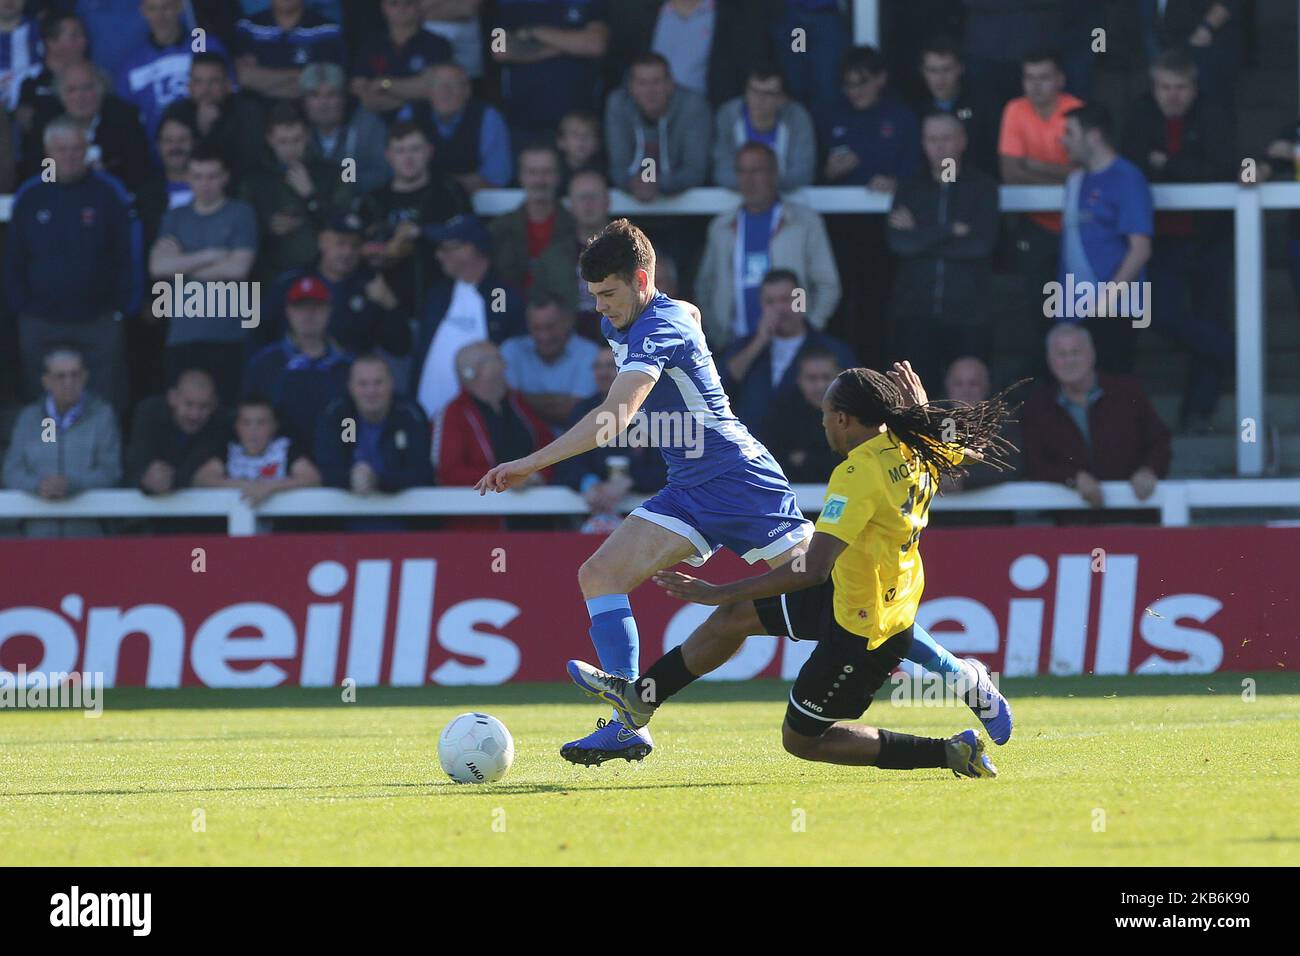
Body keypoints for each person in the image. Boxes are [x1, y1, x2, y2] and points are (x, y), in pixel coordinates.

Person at [476, 219, 995, 765]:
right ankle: (630, 719)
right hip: (688, 487)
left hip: (744, 483)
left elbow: (614, 418)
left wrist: (528, 464)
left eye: (608, 294)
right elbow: (693, 315)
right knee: (599, 575)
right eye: (594, 296)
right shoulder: (638, 318)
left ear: (642, 279)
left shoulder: (659, 326)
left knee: (836, 596)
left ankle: (962, 678)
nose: (600, 308)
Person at [565, 360, 1014, 774]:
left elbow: (811, 569)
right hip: (859, 591)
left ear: (843, 419)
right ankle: (641, 700)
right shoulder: (916, 448)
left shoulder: (857, 474)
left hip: (864, 626)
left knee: (802, 740)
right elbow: (973, 447)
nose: (821, 423)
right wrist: (926, 420)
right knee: (733, 621)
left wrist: (718, 590)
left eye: (825, 414)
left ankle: (951, 752)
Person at [1120, 49, 1234, 431]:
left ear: (1194, 87)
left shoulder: (1214, 112)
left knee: (1209, 314)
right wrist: (1179, 166)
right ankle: (1229, 348)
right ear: (1154, 87)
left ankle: (1196, 413)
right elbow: (1132, 166)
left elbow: (1221, 169)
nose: (1173, 95)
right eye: (1165, 87)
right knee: (1162, 315)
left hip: (1210, 241)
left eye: (1181, 87)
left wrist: (1165, 164)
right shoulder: (1139, 114)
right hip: (1161, 242)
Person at [6, 116, 140, 415]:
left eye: (77, 148)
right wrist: (21, 305)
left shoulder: (108, 192)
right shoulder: (30, 195)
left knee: (105, 404)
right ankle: (46, 460)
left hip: (99, 321)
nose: (69, 156)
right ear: (48, 153)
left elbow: (126, 254)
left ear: (87, 150)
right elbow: (14, 257)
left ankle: (101, 461)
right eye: (61, 149)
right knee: (42, 405)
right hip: (40, 321)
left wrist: (121, 305)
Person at [887, 111, 1000, 388]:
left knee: (968, 400)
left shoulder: (982, 188)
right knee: (916, 401)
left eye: (946, 138)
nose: (939, 146)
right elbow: (900, 243)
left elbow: (980, 245)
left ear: (962, 141)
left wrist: (920, 234)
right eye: (932, 139)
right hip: (915, 314)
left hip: (969, 315)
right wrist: (949, 230)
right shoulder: (909, 187)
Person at [695, 142, 840, 348]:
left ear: (774, 173)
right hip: (735, 346)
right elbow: (705, 285)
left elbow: (828, 284)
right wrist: (718, 335)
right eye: (742, 171)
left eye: (757, 171)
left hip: (792, 346)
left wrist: (808, 332)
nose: (748, 180)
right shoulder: (722, 226)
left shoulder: (804, 222)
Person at [148, 145, 258, 404]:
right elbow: (157, 269)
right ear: (188, 178)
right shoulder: (174, 217)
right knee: (183, 410)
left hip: (229, 334)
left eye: (211, 176)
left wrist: (182, 265)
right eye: (197, 176)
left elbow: (238, 270)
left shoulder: (241, 213)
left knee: (227, 409)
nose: (205, 183)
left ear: (224, 177)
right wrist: (211, 255)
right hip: (182, 333)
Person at [1022, 324, 1171, 508]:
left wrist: (1149, 470)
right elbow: (1034, 463)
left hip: (1133, 514)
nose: (1069, 360)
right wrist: (1072, 478)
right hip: (1071, 522)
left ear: (1092, 354)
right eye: (1061, 354)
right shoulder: (1038, 406)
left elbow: (1160, 441)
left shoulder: (1127, 392)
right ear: (1049, 360)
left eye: (1076, 352)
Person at [1058, 103, 1154, 375]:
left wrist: (1105, 302)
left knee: (1112, 387)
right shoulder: (1075, 180)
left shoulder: (1128, 178)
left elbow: (1140, 250)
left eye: (1070, 133)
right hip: (1073, 307)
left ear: (1094, 136)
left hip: (1114, 310)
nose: (1062, 140)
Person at [412, 214, 525, 420]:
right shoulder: (438, 294)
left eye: (446, 248)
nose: (438, 255)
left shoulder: (504, 298)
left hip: (478, 424)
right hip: (423, 418)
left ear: (470, 249)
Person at [720, 268, 856, 438]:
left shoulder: (832, 350)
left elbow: (852, 403)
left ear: (801, 300)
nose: (780, 308)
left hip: (807, 453)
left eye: (786, 300)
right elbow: (723, 384)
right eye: (770, 302)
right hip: (750, 449)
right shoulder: (744, 346)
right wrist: (759, 342)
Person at [2, 347, 122, 538]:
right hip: (35, 538)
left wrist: (73, 484)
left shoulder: (102, 416)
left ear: (85, 377)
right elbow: (11, 471)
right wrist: (38, 485)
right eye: (60, 376)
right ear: (46, 381)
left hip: (88, 539)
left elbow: (111, 471)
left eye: (75, 375)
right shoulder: (29, 418)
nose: (69, 382)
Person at [433, 341, 553, 530]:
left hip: (533, 523)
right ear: (472, 372)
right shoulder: (453, 414)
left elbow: (549, 447)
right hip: (480, 530)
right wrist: (503, 478)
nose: (505, 366)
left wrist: (534, 475)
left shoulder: (518, 404)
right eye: (497, 360)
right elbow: (447, 473)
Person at [998, 50, 1084, 313]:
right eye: (1029, 77)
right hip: (1035, 225)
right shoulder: (1015, 109)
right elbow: (1010, 175)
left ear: (1060, 79)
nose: (1035, 85)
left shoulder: (1077, 111)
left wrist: (1033, 166)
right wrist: (1061, 173)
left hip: (1078, 223)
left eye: (1044, 77)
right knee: (1039, 309)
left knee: (1081, 305)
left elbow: (1084, 175)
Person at [358, 121, 470, 318]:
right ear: (388, 156)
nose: (408, 158)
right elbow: (356, 248)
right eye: (400, 151)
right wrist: (375, 253)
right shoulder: (371, 201)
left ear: (429, 151)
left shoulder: (450, 193)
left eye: (415, 149)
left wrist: (421, 234)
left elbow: (471, 237)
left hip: (443, 306)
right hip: (385, 311)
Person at [266, 212, 410, 357]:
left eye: (355, 246)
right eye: (340, 243)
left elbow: (401, 348)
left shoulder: (372, 285)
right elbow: (262, 335)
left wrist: (390, 305)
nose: (347, 252)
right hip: (295, 370)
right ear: (322, 242)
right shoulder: (291, 282)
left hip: (350, 375)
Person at [243, 275, 352, 447]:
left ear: (329, 311)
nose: (309, 314)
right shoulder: (264, 363)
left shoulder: (348, 367)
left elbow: (352, 422)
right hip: (279, 463)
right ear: (288, 311)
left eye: (317, 307)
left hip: (334, 462)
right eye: (301, 307)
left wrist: (346, 452)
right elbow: (247, 418)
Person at [22, 60, 153, 192]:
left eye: (87, 88)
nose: (80, 97)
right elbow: (38, 170)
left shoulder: (124, 119)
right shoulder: (46, 122)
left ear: (101, 91)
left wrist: (105, 174)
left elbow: (138, 171)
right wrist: (62, 173)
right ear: (61, 95)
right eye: (72, 90)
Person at [314, 354, 433, 493]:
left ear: (391, 384)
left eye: (378, 383)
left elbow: (421, 473)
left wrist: (378, 480)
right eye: (363, 384)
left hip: (401, 511)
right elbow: (330, 468)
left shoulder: (408, 416)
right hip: (347, 509)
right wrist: (349, 478)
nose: (371, 391)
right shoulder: (344, 417)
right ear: (350, 387)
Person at [491, 0, 609, 140]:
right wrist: (572, 43)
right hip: (523, 115)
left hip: (579, 119)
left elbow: (595, 44)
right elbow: (499, 50)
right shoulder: (508, 3)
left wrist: (532, 32)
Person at [604, 52, 710, 202]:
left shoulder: (693, 106)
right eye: (642, 83)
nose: (650, 91)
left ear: (671, 84)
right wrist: (632, 183)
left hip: (684, 208)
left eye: (656, 82)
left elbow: (695, 171)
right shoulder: (619, 104)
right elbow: (618, 166)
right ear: (631, 87)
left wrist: (657, 184)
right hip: (629, 209)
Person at [115, 0, 231, 139]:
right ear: (143, 11)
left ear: (180, 7)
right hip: (158, 155)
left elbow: (230, 93)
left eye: (166, 7)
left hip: (208, 146)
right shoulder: (131, 65)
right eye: (153, 9)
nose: (160, 17)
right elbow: (126, 123)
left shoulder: (203, 44)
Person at [818, 45, 922, 192]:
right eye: (849, 85)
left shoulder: (902, 118)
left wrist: (896, 184)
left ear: (881, 78)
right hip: (838, 210)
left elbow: (916, 171)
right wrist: (828, 173)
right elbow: (812, 175)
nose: (855, 92)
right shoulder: (832, 117)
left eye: (862, 82)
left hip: (888, 210)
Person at [488, 143, 578, 307]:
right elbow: (493, 285)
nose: (539, 180)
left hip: (563, 316)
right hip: (513, 315)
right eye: (532, 172)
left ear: (558, 177)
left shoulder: (576, 226)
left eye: (547, 172)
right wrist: (500, 316)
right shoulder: (499, 228)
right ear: (521, 177)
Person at [193, 395, 321, 504]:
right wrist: (246, 486)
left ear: (274, 426)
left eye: (261, 423)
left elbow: (312, 478)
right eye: (246, 423)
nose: (253, 431)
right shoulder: (229, 451)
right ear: (237, 426)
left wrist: (270, 487)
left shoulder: (285, 449)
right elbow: (202, 479)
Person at [161, 51, 267, 183]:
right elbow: (176, 163)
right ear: (190, 86)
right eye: (198, 82)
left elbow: (251, 160)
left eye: (213, 81)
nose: (205, 90)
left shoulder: (247, 110)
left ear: (228, 85)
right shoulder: (177, 113)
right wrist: (202, 130)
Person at [500, 291, 600, 429]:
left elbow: (577, 414)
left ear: (569, 321)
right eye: (536, 328)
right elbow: (505, 409)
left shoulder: (590, 353)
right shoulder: (512, 350)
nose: (544, 336)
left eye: (550, 327)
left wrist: (522, 400)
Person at [410, 60, 512, 193]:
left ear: (467, 90)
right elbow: (400, 173)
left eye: (453, 85)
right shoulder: (411, 114)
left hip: (477, 204)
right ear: (428, 91)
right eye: (437, 85)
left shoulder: (488, 117)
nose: (445, 91)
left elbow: (497, 180)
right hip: (418, 202)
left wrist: (431, 181)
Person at [712, 64, 816, 192]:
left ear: (782, 99)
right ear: (745, 92)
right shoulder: (728, 115)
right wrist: (758, 187)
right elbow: (722, 172)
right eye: (754, 91)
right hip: (735, 199)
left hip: (787, 199)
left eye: (768, 93)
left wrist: (763, 187)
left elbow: (803, 172)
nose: (759, 99)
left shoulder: (797, 117)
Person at [125, 368, 231, 494]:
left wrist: (172, 479)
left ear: (214, 404)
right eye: (189, 404)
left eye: (204, 406)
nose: (195, 415)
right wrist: (146, 478)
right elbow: (136, 464)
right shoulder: (150, 413)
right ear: (172, 397)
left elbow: (200, 468)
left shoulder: (220, 422)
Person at [910, 35, 1000, 179]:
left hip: (974, 190)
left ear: (960, 68)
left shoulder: (982, 105)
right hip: (927, 193)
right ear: (922, 72)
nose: (940, 78)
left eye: (947, 69)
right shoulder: (915, 109)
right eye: (932, 70)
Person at [350, 0, 452, 120]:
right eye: (394, 3)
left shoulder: (437, 44)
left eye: (408, 3)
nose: (401, 8)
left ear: (418, 6)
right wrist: (407, 94)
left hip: (424, 119)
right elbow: (358, 85)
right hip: (377, 120)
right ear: (383, 7)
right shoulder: (371, 45)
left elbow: (431, 86)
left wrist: (385, 83)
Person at [300, 61, 391, 194]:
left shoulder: (368, 126)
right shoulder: (296, 131)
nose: (323, 103)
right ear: (304, 102)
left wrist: (342, 185)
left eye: (331, 95)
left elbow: (383, 173)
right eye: (315, 95)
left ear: (343, 98)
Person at [233, 0, 345, 102]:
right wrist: (302, 75)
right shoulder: (248, 27)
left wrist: (261, 80)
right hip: (257, 112)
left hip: (308, 113)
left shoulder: (327, 29)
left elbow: (322, 83)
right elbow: (244, 78)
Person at [763, 346, 845, 484]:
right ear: (799, 380)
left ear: (838, 378)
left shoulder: (853, 412)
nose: (820, 386)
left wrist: (806, 460)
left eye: (826, 377)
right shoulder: (781, 415)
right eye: (812, 378)